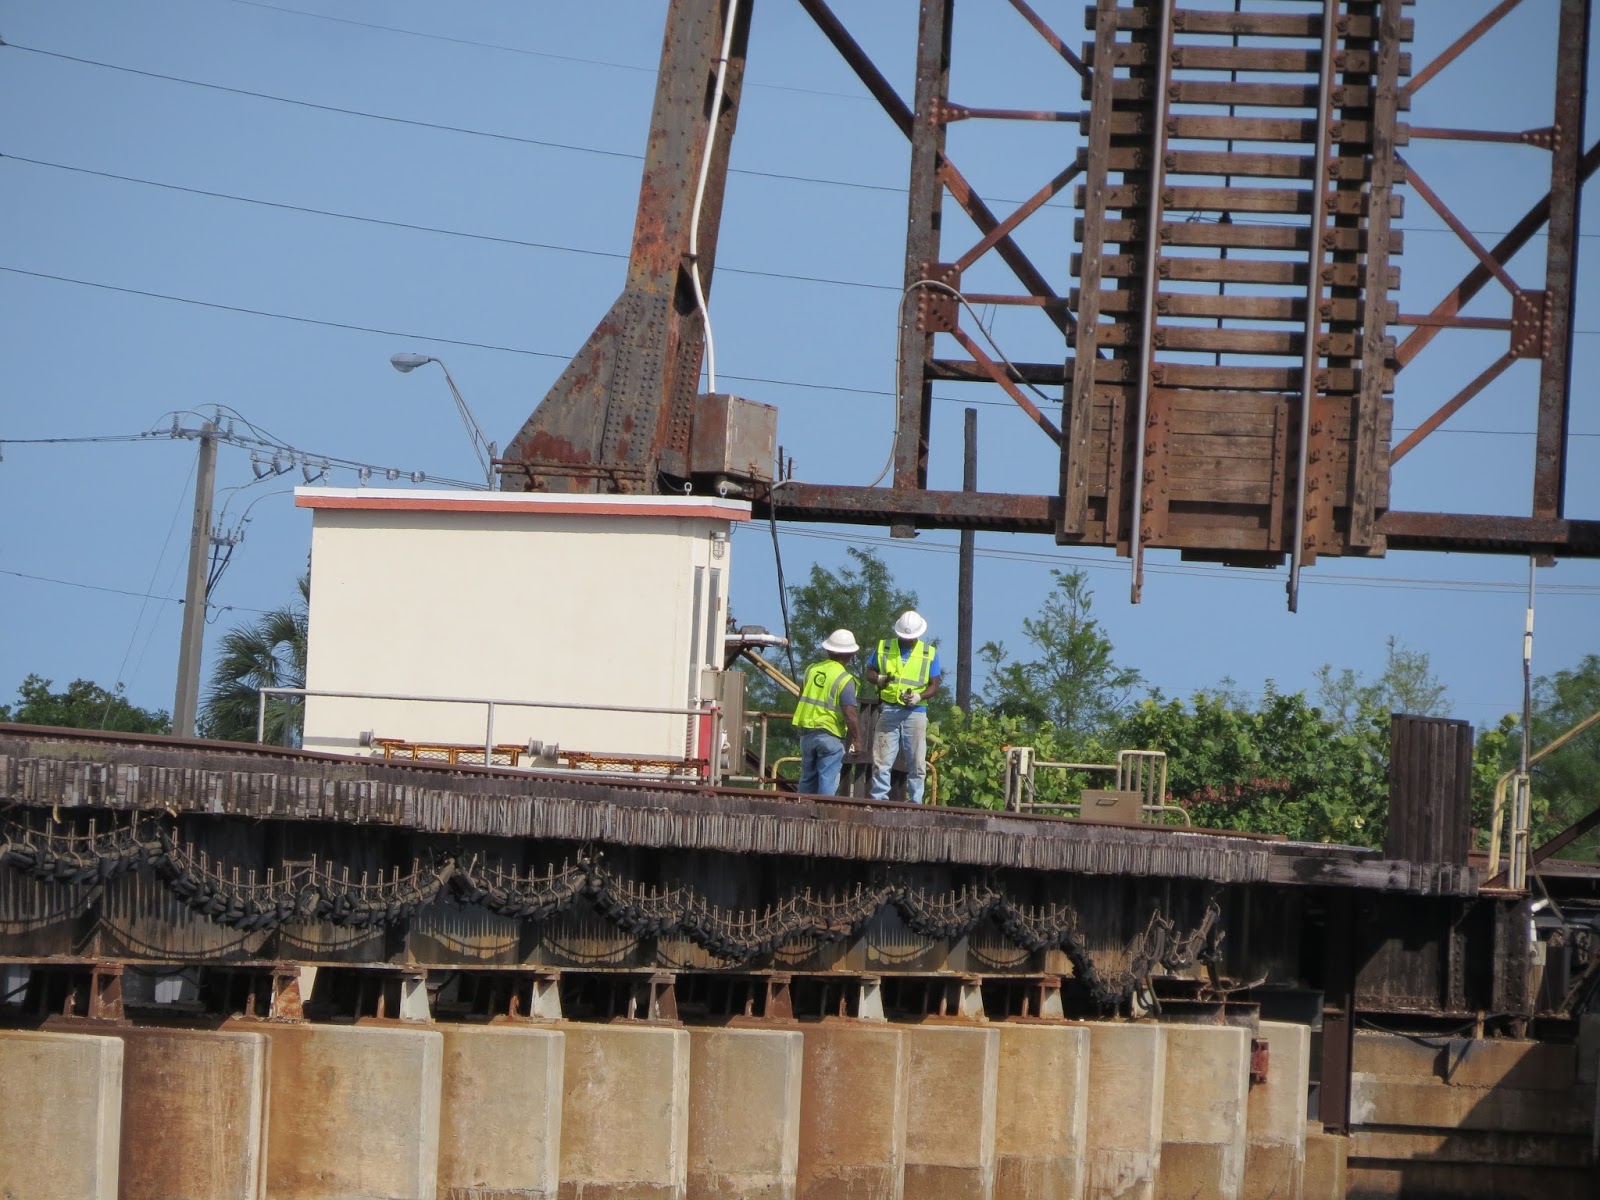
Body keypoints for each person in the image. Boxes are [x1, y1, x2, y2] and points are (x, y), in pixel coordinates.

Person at [866, 610, 941, 803]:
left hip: (915, 712)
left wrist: (919, 696)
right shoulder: (885, 647)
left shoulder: (928, 653)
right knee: (882, 759)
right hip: (889, 708)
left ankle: (915, 800)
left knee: (916, 761)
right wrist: (879, 679)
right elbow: (870, 672)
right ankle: (879, 798)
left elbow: (934, 685)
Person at [792, 628, 862, 796]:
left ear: (828, 650)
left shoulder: (811, 670)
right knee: (827, 779)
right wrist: (857, 739)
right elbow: (849, 713)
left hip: (807, 733)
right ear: (850, 654)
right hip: (830, 735)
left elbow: (802, 695)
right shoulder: (844, 679)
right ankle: (823, 816)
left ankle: (802, 813)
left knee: (807, 777)